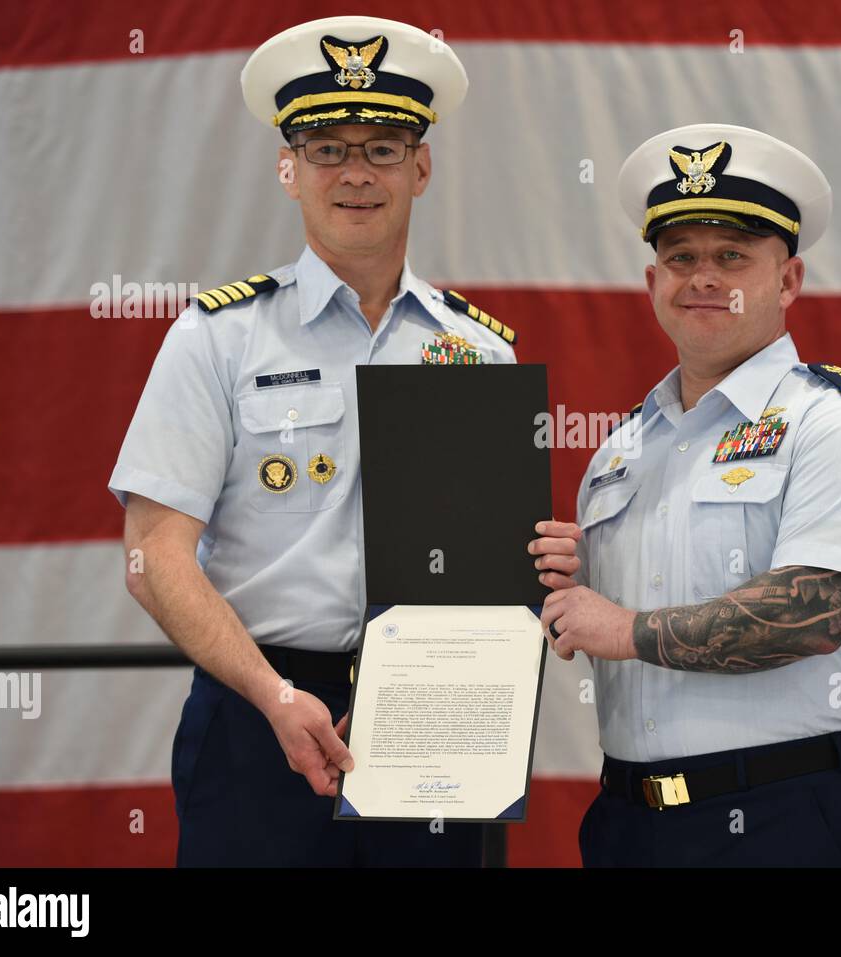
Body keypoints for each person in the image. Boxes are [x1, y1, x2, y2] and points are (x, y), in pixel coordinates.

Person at [109, 16, 515, 867]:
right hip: (259, 715)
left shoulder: (480, 350)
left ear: (423, 166)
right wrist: (273, 692)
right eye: (327, 149)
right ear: (288, 171)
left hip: (434, 715)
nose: (356, 173)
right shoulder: (216, 338)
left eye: (383, 147)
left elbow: (485, 564)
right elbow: (152, 555)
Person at [528, 123, 841, 866]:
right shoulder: (619, 453)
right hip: (628, 822)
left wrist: (622, 626)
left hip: (788, 821)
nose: (702, 276)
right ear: (654, 285)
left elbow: (816, 610)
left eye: (732, 257)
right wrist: (561, 591)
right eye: (680, 258)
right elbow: (604, 631)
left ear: (788, 281)